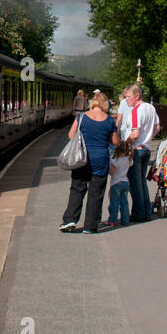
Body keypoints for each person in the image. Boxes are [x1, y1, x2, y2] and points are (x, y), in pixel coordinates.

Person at [59, 91, 118, 233]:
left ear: (92, 103)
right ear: (105, 104)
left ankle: (69, 220)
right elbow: (115, 141)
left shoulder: (82, 117)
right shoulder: (109, 120)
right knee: (95, 193)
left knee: (77, 189)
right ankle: (90, 226)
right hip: (100, 159)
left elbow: (71, 135)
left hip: (82, 159)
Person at [117, 84, 159, 222]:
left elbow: (135, 133)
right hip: (146, 148)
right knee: (142, 182)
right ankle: (146, 211)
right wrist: (148, 138)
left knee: (135, 184)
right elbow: (157, 127)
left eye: (128, 97)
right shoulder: (151, 108)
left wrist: (125, 144)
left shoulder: (136, 111)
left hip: (136, 149)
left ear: (137, 96)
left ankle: (138, 214)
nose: (126, 99)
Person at [102, 139, 133, 229]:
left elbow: (112, 173)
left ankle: (112, 220)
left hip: (116, 183)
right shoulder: (128, 159)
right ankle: (125, 220)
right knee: (124, 202)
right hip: (125, 182)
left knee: (114, 203)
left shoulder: (114, 160)